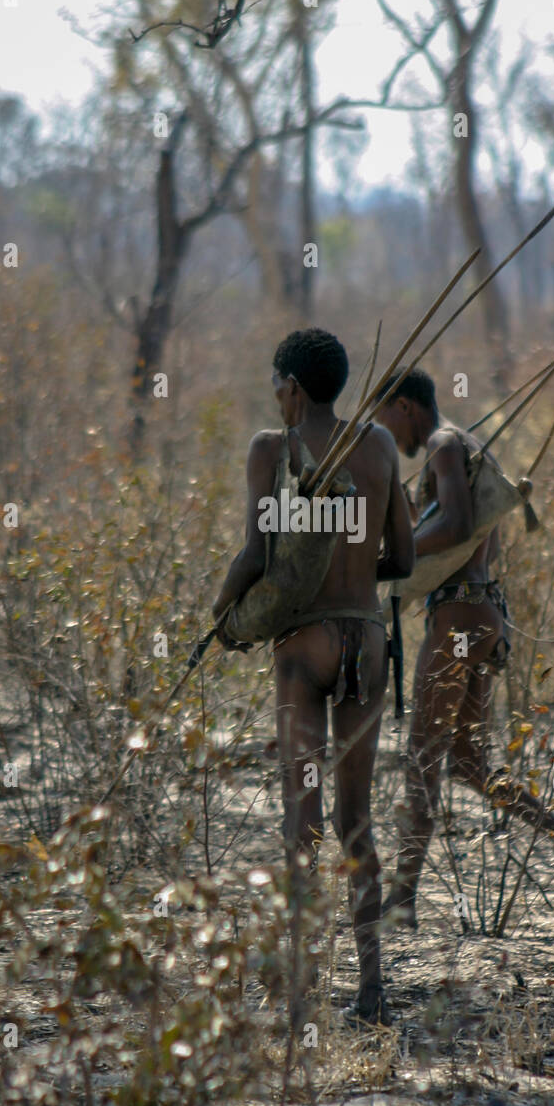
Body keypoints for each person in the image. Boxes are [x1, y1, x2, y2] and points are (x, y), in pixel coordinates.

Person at [213, 329, 414, 1023]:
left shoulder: (272, 450)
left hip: (303, 650)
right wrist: (354, 576)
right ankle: (372, 992)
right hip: (367, 642)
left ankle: (300, 997)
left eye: (277, 383)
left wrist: (222, 618)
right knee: (356, 820)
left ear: (293, 386)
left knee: (302, 821)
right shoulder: (382, 447)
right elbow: (405, 558)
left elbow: (253, 554)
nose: (275, 394)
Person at [373, 368, 554, 926]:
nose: (385, 432)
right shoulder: (462, 448)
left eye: (384, 418)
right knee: (465, 761)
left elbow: (457, 527)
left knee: (422, 759)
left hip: (460, 615)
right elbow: (448, 523)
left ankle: (401, 903)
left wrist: (391, 555)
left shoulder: (442, 443)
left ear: (405, 407)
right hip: (483, 618)